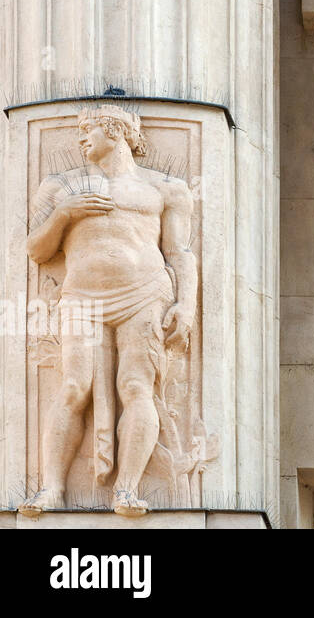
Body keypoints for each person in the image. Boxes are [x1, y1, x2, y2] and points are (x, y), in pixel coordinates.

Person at [19, 105, 196, 518]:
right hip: (82, 296)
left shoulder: (165, 188)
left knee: (137, 387)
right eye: (81, 130)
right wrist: (65, 214)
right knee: (74, 386)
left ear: (115, 132)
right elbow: (36, 250)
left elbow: (179, 252)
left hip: (144, 293)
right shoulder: (61, 186)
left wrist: (185, 306)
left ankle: (128, 490)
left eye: (91, 130)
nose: (82, 139)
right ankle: (52, 489)